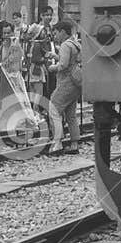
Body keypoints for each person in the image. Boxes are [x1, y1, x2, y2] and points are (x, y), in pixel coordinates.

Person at [48, 20, 82, 154]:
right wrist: (56, 56)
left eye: (56, 33)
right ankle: (74, 144)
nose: (54, 35)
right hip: (76, 83)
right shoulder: (75, 43)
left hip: (66, 82)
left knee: (53, 108)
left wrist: (52, 67)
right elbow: (70, 61)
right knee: (71, 115)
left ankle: (57, 143)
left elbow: (63, 65)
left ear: (62, 32)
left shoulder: (64, 45)